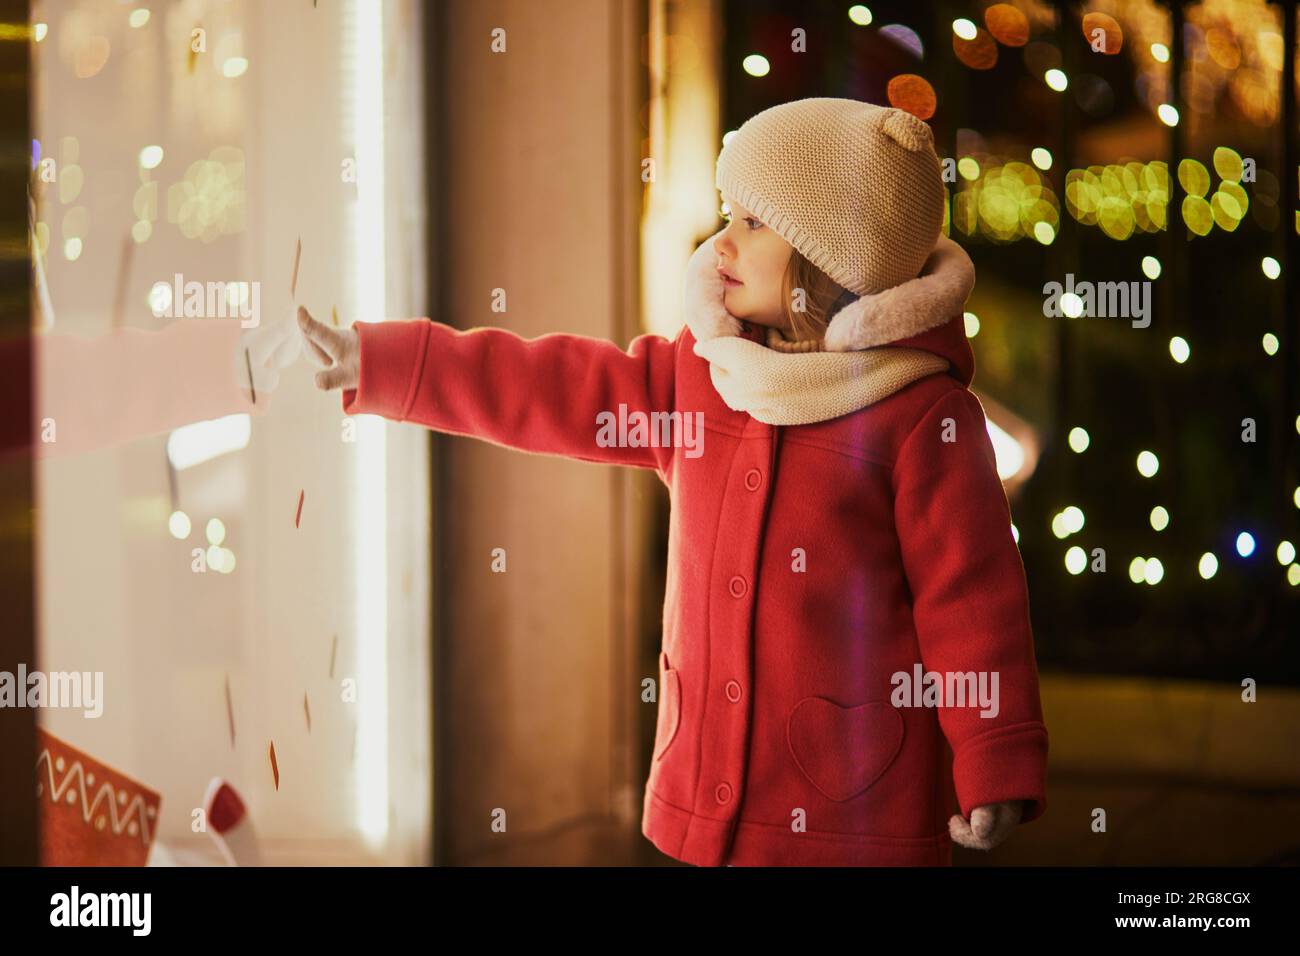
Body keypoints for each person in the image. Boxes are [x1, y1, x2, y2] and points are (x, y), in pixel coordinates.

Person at [298, 97, 1048, 867]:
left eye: (753, 222)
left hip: (852, 811)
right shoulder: (703, 376)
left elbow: (971, 602)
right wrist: (387, 362)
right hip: (710, 790)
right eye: (730, 212)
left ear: (832, 258)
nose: (722, 239)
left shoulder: (921, 418)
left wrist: (994, 757)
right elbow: (549, 388)